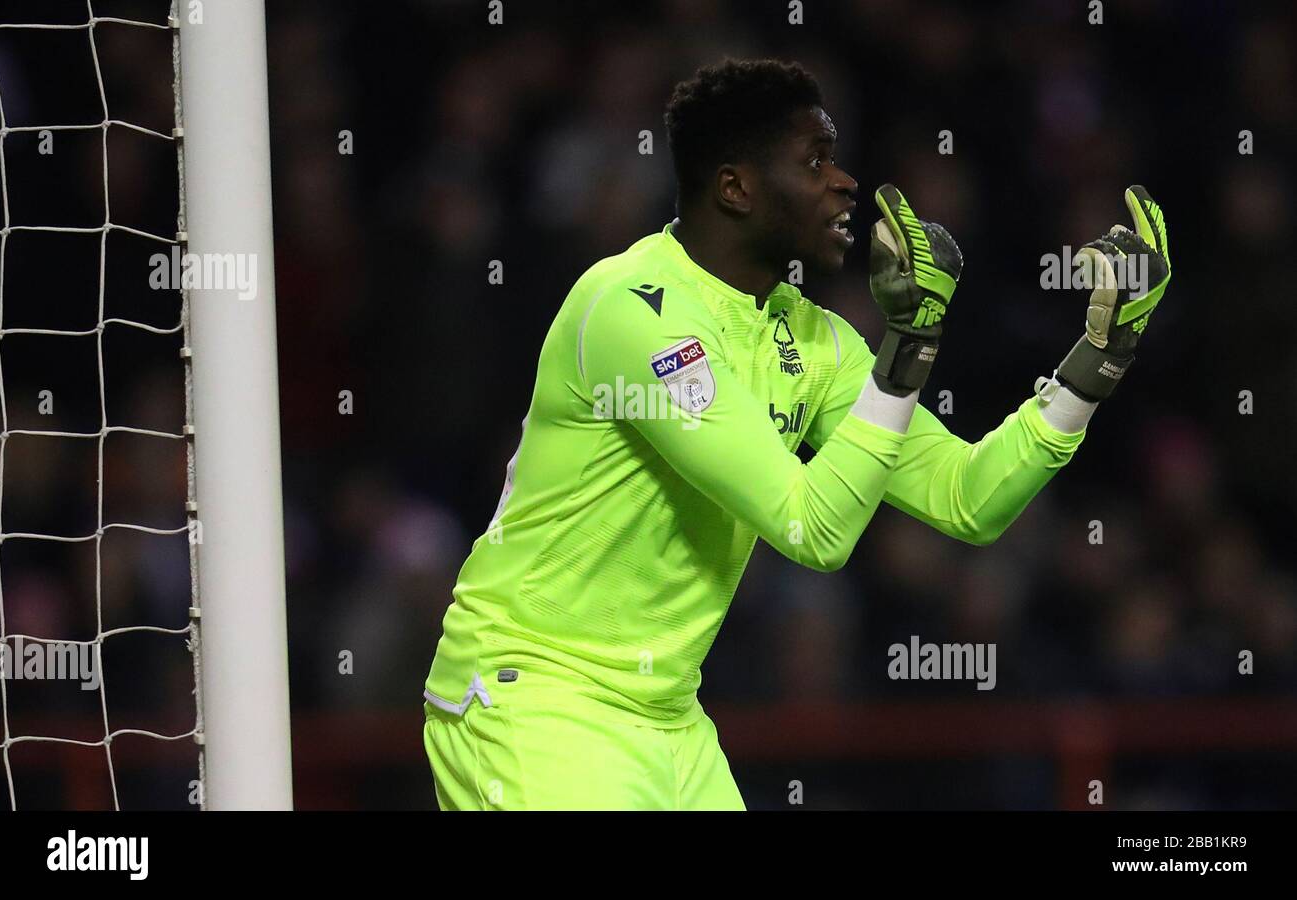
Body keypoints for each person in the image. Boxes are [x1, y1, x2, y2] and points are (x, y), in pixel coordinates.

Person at [421, 57, 1171, 810]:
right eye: (814, 161)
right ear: (735, 187)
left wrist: (1096, 362)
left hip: (668, 719)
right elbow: (811, 526)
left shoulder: (813, 340)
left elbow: (969, 498)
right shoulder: (634, 310)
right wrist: (908, 346)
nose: (845, 182)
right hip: (532, 698)